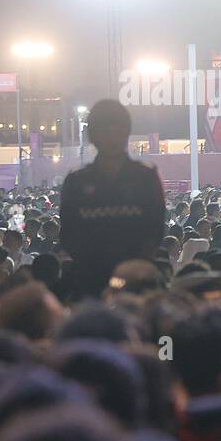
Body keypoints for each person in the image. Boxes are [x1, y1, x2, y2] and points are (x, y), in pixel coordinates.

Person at [58, 99, 166, 300]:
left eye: (118, 130)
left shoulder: (145, 177)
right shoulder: (77, 181)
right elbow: (69, 233)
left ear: (126, 132)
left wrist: (134, 266)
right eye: (104, 130)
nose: (111, 137)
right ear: (93, 136)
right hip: (90, 283)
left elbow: (155, 229)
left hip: (138, 282)